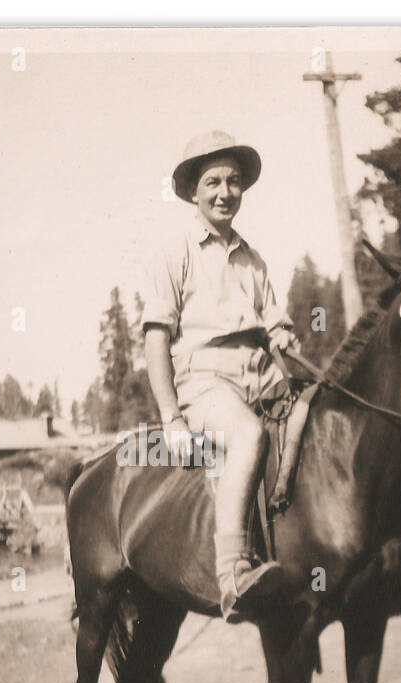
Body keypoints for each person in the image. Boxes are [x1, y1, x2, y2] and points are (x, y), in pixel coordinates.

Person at [140, 131, 300, 622]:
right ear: (192, 192)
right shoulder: (176, 250)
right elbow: (155, 339)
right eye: (212, 182)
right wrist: (172, 420)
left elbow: (274, 322)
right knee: (249, 435)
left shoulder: (253, 260)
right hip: (205, 383)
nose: (224, 192)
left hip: (261, 376)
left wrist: (284, 337)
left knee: (321, 418)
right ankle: (232, 573)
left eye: (233, 182)